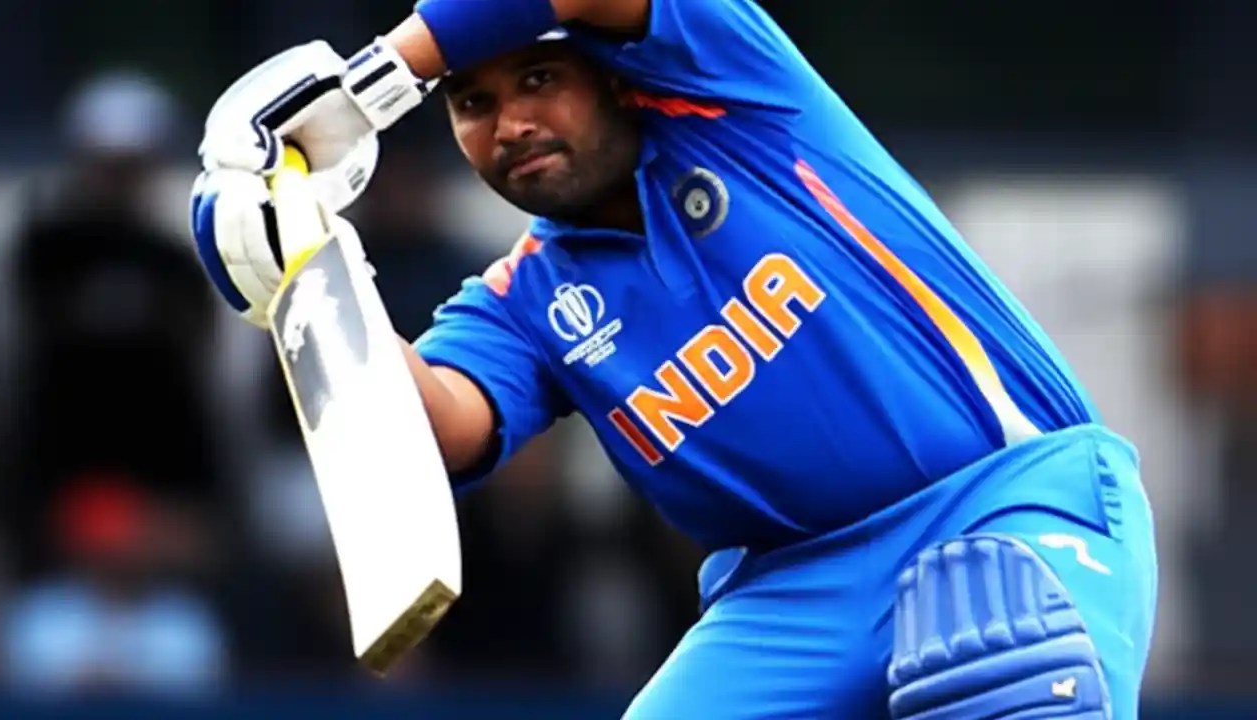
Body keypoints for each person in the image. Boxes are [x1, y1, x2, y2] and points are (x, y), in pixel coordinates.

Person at [189, 1, 1158, 717]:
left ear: (609, 77)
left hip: (1001, 497)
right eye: (473, 102)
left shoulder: (736, 93)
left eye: (537, 81)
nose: (510, 123)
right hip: (786, 594)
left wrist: (376, 78)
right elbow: (438, 429)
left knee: (1002, 664)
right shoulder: (525, 299)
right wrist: (303, 273)